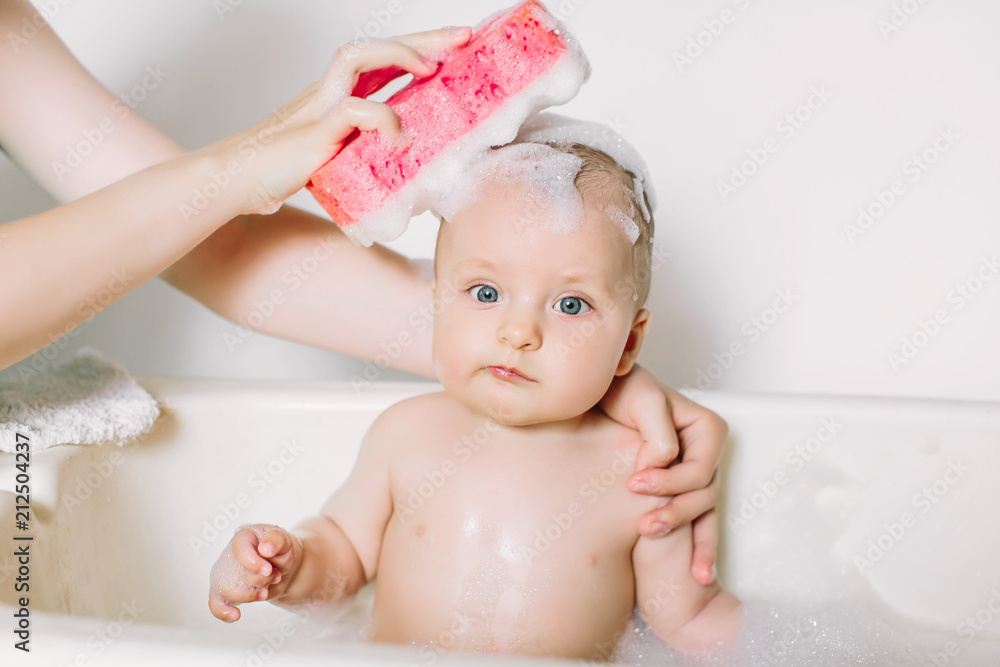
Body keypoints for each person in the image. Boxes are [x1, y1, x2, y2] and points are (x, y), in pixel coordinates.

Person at [0, 0, 726, 580]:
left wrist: (575, 363)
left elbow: (219, 243)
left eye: (574, 304)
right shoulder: (402, 446)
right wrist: (230, 172)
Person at [207, 140, 743, 662]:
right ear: (438, 299)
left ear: (628, 343)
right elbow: (342, 557)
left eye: (571, 304)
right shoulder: (406, 434)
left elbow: (690, 622)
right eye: (486, 293)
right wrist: (287, 566)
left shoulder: (644, 474)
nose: (518, 332)